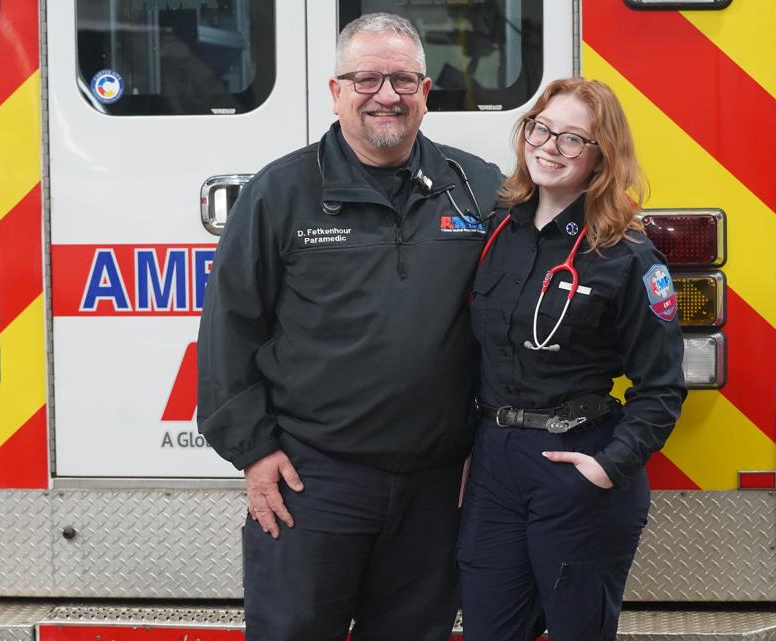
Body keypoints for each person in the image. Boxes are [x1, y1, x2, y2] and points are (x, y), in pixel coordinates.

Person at [197, 12, 502, 641]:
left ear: (426, 93)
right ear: (335, 92)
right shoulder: (279, 192)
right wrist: (254, 453)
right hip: (312, 480)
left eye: (403, 80)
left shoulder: (477, 189)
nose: (385, 96)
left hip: (437, 484)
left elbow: (513, 318)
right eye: (366, 80)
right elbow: (230, 330)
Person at [457, 77, 687, 641]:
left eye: (573, 139)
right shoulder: (493, 233)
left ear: (601, 157)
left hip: (575, 462)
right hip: (493, 465)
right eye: (542, 128)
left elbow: (661, 386)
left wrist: (609, 466)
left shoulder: (627, 255)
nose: (550, 146)